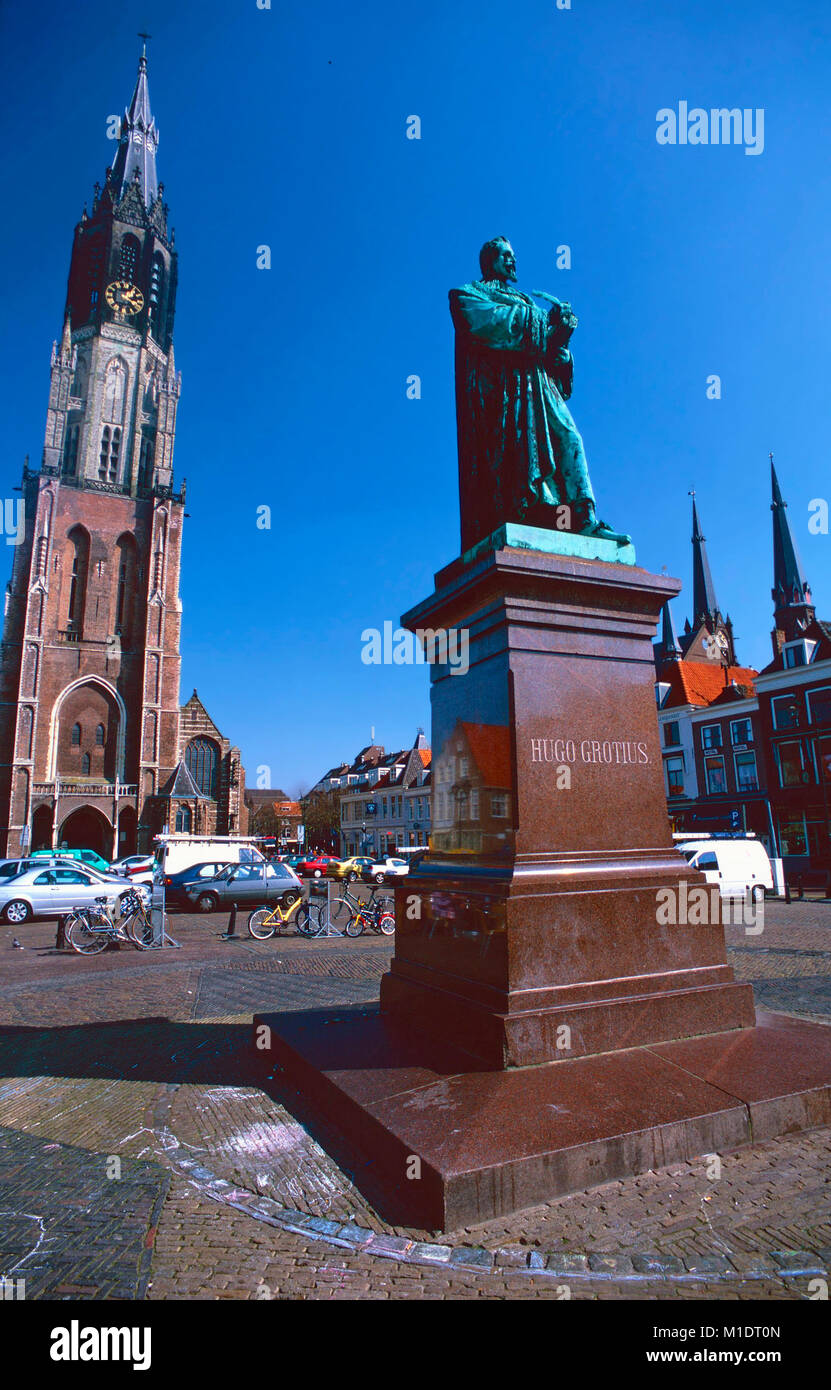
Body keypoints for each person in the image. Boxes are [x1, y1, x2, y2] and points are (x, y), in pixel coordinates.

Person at [449, 237, 630, 553]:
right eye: (506, 255)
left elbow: (548, 348)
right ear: (489, 260)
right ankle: (539, 516)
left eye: (514, 255)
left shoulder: (525, 300)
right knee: (526, 456)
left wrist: (561, 340)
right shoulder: (468, 295)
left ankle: (584, 520)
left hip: (541, 386)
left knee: (570, 439)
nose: (512, 261)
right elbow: (489, 324)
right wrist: (544, 322)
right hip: (509, 397)